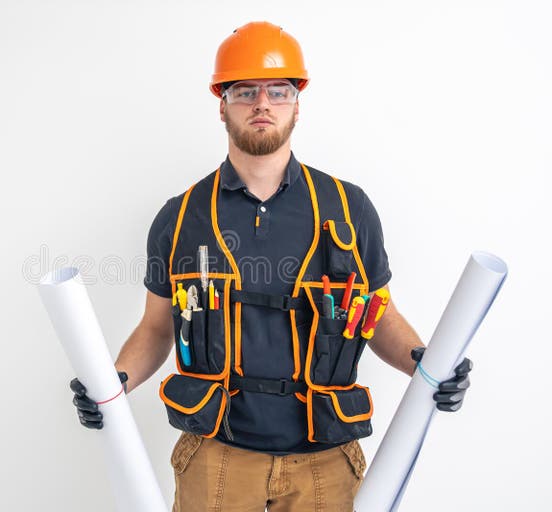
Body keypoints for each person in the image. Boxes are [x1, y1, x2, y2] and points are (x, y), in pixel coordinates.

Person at [70, 21, 473, 511]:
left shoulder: (348, 208)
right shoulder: (179, 218)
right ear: (222, 104)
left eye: (278, 91)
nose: (262, 103)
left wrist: (431, 367)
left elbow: (377, 314)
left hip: (325, 463)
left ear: (296, 104)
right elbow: (157, 327)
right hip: (216, 458)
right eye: (245, 91)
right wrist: (112, 382)